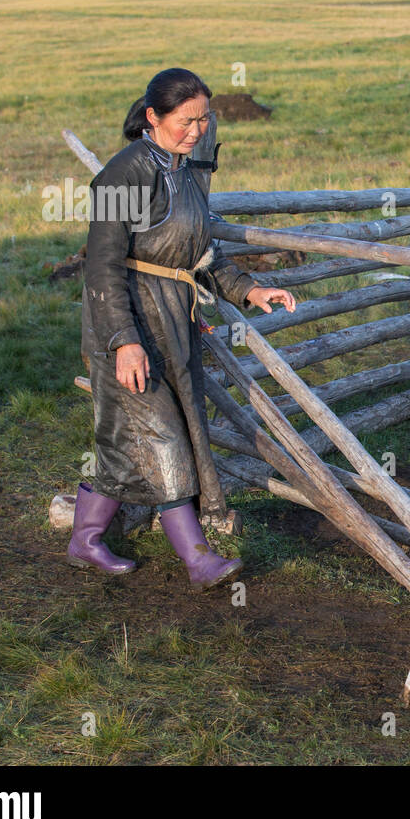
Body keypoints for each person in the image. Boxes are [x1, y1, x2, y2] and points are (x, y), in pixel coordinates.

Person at [67, 67, 296, 588]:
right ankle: (198, 558)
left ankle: (84, 540)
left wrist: (250, 290)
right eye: (186, 120)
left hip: (173, 321)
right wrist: (123, 342)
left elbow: (200, 255)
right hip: (124, 323)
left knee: (129, 439)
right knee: (165, 436)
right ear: (154, 116)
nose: (197, 130)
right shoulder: (123, 176)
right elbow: (102, 267)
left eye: (204, 119)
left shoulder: (184, 172)